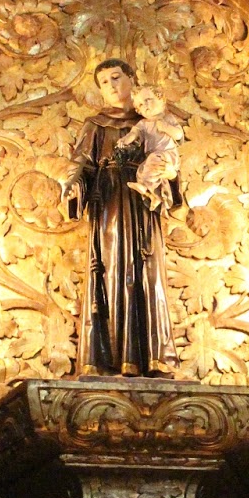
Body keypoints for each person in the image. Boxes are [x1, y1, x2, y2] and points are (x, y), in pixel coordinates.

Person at [63, 60, 179, 376]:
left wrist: (170, 174)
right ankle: (107, 358)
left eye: (117, 78)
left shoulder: (155, 122)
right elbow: (81, 165)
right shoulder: (96, 125)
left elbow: (171, 159)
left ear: (132, 79)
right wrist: (75, 185)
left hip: (143, 201)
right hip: (109, 201)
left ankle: (152, 357)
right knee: (111, 269)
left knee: (147, 270)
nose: (112, 86)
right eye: (103, 82)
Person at [117, 84, 184, 213]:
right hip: (152, 157)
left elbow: (179, 135)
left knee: (153, 162)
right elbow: (133, 134)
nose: (145, 106)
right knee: (143, 170)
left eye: (148, 100)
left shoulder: (168, 119)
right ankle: (152, 194)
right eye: (141, 105)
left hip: (167, 155)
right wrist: (125, 140)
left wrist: (166, 127)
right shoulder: (143, 124)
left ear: (162, 100)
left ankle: (146, 188)